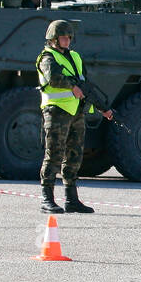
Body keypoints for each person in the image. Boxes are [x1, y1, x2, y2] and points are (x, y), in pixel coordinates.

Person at [36, 19, 113, 213]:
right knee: (53, 155)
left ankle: (72, 199)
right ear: (53, 39)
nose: (67, 41)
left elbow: (86, 86)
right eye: (63, 37)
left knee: (74, 156)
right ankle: (47, 199)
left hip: (76, 113)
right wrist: (72, 86)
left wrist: (103, 108)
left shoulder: (75, 57)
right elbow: (54, 78)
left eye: (69, 37)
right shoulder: (47, 57)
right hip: (56, 112)